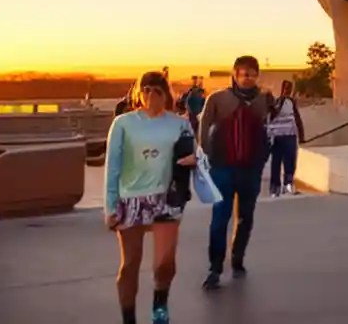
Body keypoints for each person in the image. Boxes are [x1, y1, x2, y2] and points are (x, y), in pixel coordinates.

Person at [104, 71, 196, 324]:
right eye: (145, 89)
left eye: (157, 90)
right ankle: (129, 317)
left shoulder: (180, 123)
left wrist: (194, 160)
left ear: (166, 93)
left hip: (166, 198)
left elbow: (193, 153)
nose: (150, 95)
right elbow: (112, 166)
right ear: (138, 93)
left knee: (164, 264)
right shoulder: (123, 123)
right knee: (130, 264)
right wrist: (110, 206)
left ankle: (159, 306)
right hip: (130, 199)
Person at [199, 55, 272, 290]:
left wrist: (262, 160)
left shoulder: (264, 100)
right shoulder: (218, 99)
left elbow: (271, 129)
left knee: (245, 217)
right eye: (243, 72)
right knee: (220, 218)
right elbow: (203, 129)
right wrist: (207, 157)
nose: (248, 77)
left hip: (250, 169)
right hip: (223, 168)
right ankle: (215, 268)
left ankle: (237, 258)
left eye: (252, 73)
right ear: (235, 74)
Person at [267, 80, 305, 196]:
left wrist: (301, 136)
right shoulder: (277, 102)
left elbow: (297, 119)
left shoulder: (291, 102)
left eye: (290, 88)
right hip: (278, 137)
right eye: (286, 87)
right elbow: (272, 115)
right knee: (276, 163)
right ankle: (275, 188)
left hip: (290, 136)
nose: (288, 90)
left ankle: (288, 185)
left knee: (290, 162)